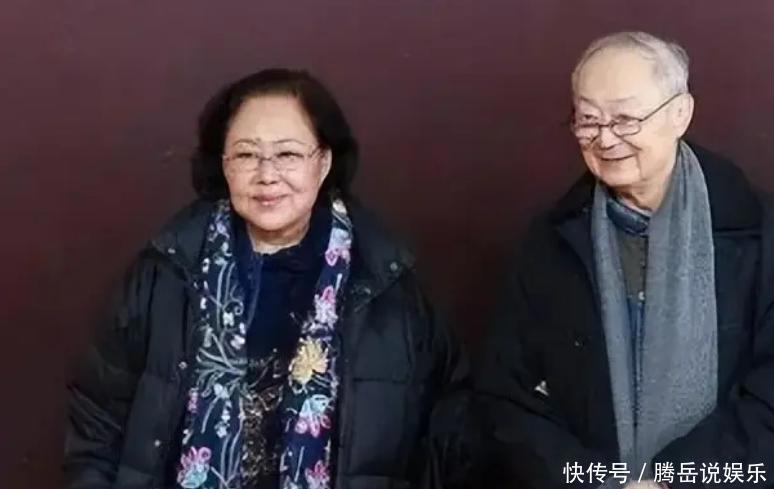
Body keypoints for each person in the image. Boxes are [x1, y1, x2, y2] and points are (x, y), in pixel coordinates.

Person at [65, 68, 467, 489]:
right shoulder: (166, 272)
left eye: (288, 154)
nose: (267, 175)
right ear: (223, 165)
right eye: (246, 155)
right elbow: (96, 418)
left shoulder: (386, 283)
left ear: (324, 162)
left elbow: (449, 429)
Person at [476, 31, 774, 489]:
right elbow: (506, 396)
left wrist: (671, 481)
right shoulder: (551, 242)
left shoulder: (757, 231)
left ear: (680, 113)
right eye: (588, 120)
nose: (605, 138)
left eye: (626, 119)